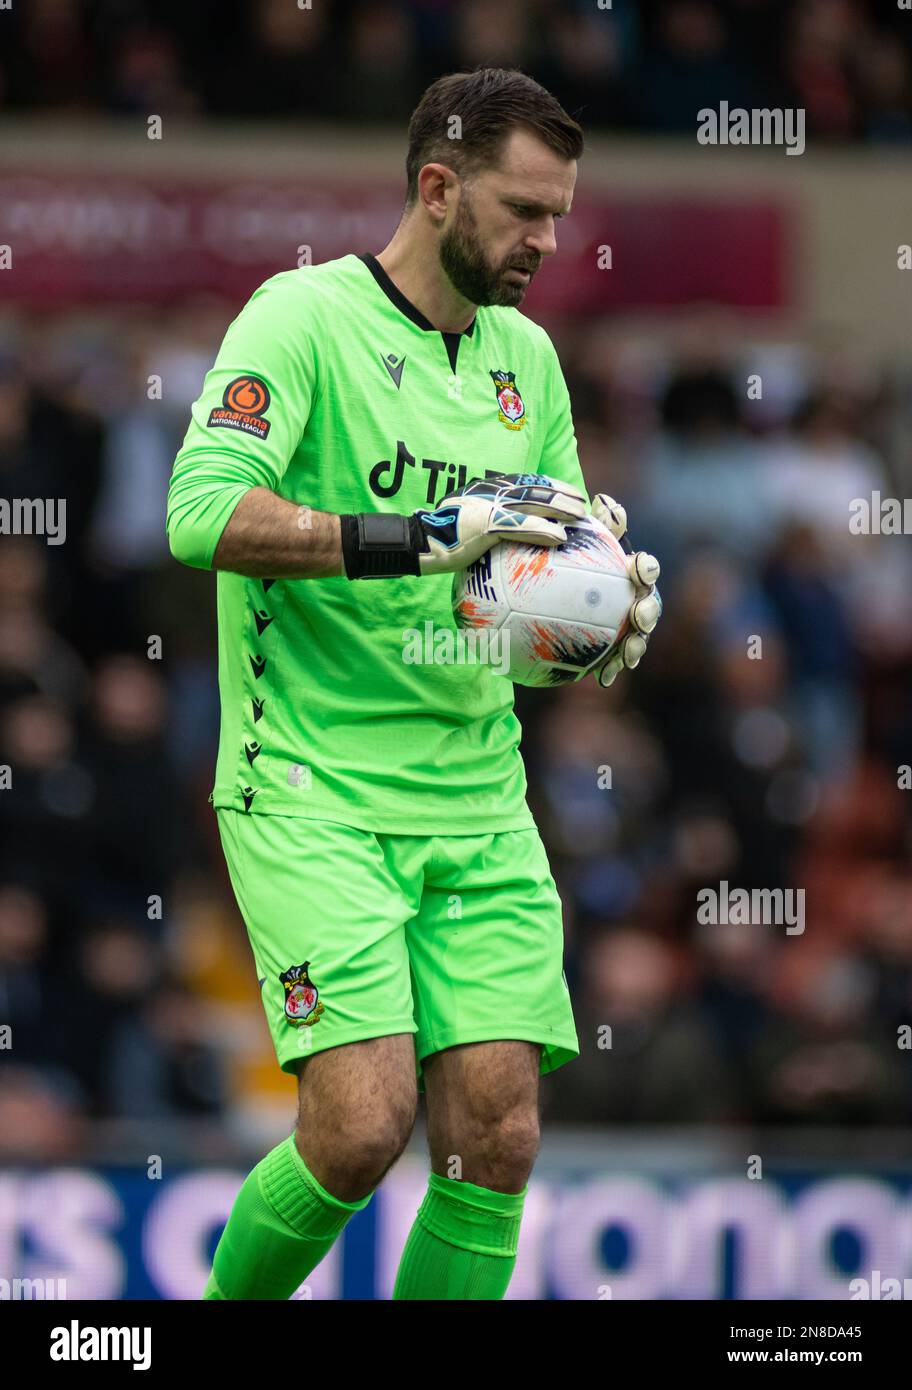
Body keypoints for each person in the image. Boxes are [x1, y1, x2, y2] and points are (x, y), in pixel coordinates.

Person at [166, 66, 660, 1301]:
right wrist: (422, 533)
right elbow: (200, 514)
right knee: (359, 1123)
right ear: (438, 188)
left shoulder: (528, 363)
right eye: (524, 210)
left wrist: (596, 621)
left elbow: (521, 593)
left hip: (478, 798)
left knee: (496, 1137)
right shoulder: (301, 320)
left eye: (559, 215)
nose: (548, 242)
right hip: (310, 784)